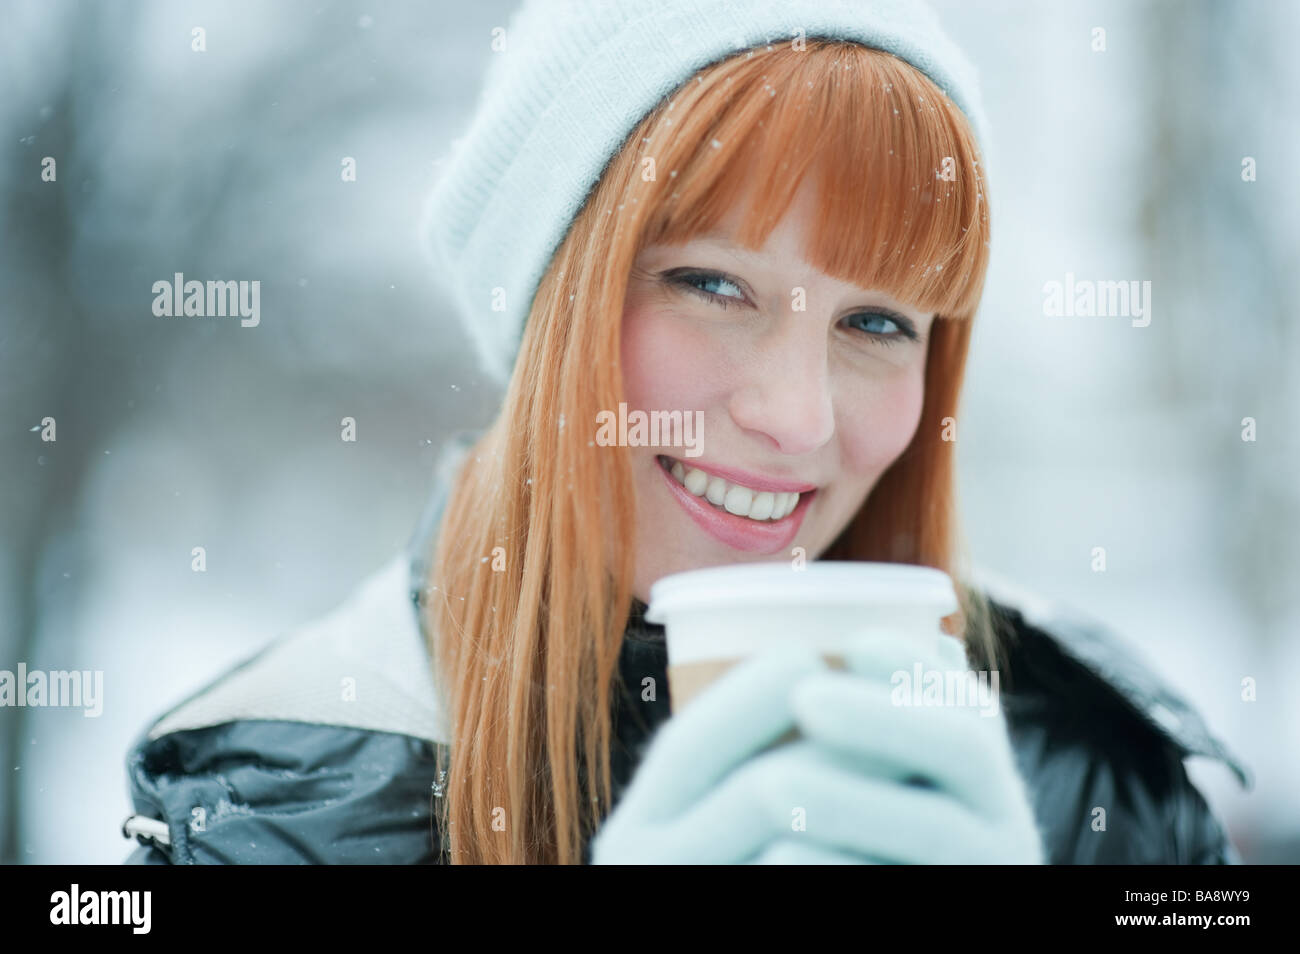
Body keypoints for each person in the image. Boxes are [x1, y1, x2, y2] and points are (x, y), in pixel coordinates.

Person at [121, 0, 1250, 865]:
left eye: (874, 321)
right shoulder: (270, 802)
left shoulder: (1103, 783)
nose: (798, 416)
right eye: (712, 285)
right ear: (549, 304)